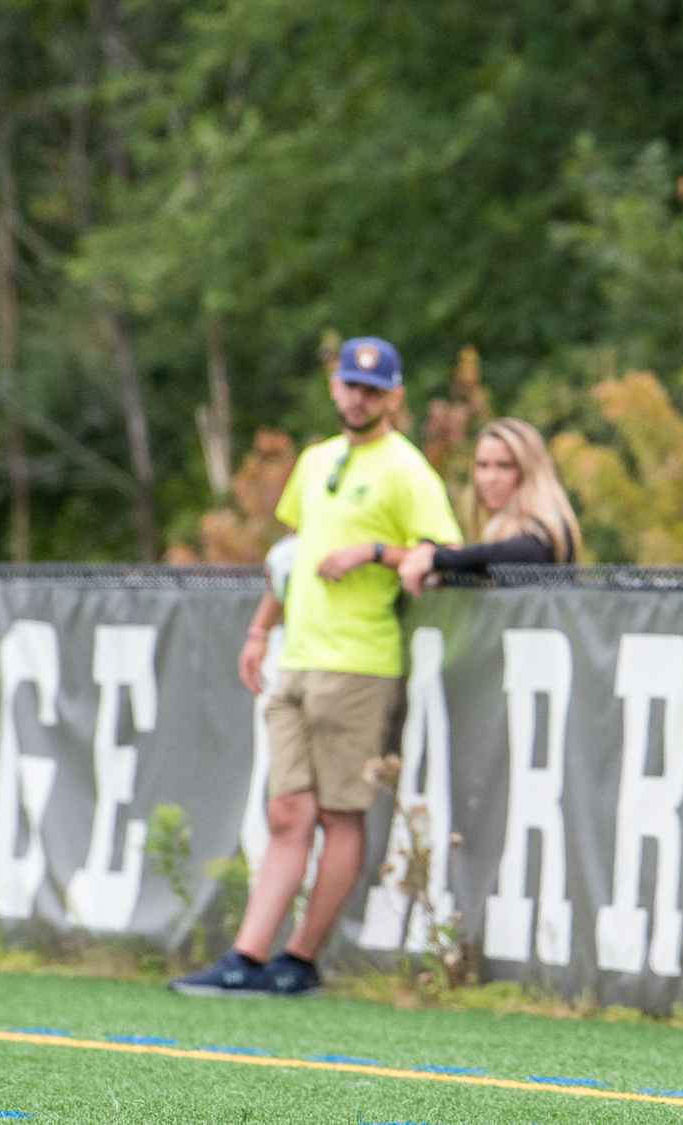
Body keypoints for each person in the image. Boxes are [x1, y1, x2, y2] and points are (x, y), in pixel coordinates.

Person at [173, 336, 462, 998]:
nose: (358, 398)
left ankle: (298, 958)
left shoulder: (407, 469)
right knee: (286, 814)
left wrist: (375, 551)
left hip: (359, 662)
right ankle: (247, 955)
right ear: (335, 387)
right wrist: (258, 629)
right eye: (349, 385)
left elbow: (442, 552)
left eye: (372, 388)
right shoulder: (316, 460)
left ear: (394, 396)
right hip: (296, 658)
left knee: (339, 814)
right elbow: (292, 556)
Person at [396, 417, 580, 593]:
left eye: (504, 465)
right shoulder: (497, 529)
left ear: (529, 470)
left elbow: (515, 556)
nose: (490, 478)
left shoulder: (546, 529)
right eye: (482, 465)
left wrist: (437, 558)